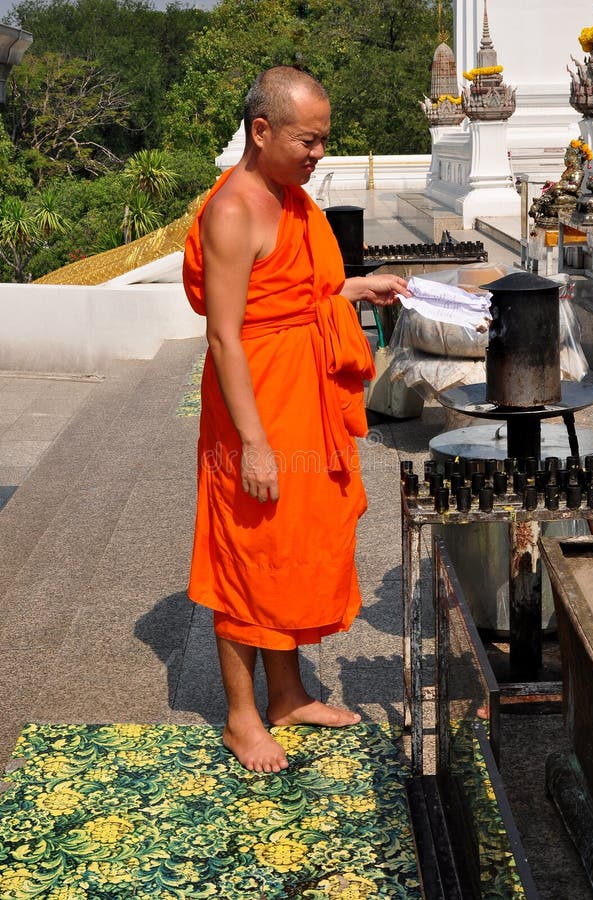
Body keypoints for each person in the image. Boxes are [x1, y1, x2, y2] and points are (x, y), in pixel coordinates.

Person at [183, 65, 410, 774]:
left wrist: (355, 287)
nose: (317, 155)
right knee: (246, 554)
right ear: (262, 131)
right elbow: (225, 335)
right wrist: (251, 442)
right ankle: (242, 717)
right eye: (307, 142)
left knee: (295, 543)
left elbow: (295, 291)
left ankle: (286, 694)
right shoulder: (234, 210)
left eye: (322, 142)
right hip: (254, 403)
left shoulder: (289, 200)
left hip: (300, 394)